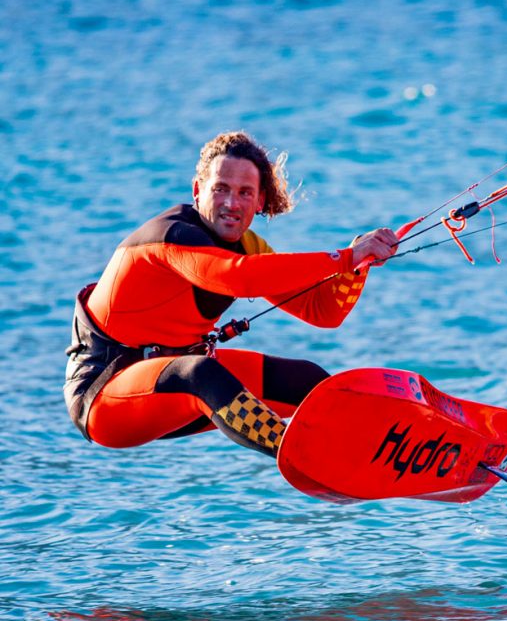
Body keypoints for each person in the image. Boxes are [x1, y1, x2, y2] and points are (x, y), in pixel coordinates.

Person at [65, 131, 399, 458]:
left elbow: (323, 310)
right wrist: (343, 258)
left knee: (311, 382)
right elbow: (235, 277)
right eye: (220, 189)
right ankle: (307, 457)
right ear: (198, 192)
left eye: (244, 192)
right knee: (201, 372)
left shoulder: (250, 247)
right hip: (106, 397)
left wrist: (360, 262)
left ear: (260, 201)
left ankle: (389, 453)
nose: (231, 203)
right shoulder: (170, 237)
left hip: (178, 390)